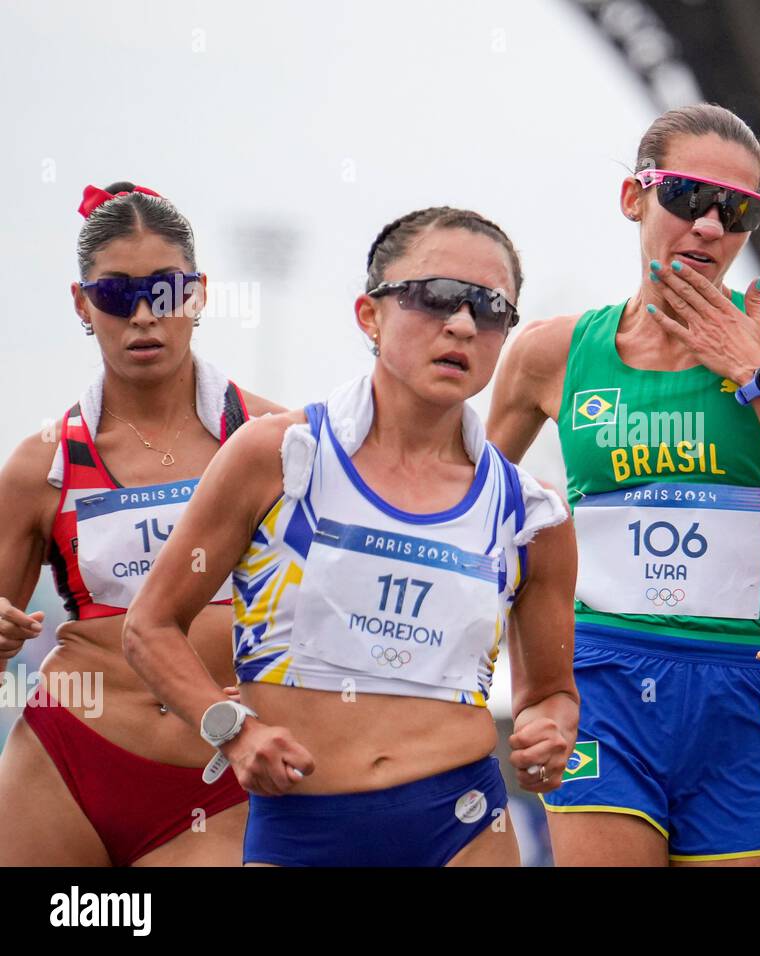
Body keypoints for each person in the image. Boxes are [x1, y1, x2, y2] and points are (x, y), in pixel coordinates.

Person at [488, 103, 760, 866]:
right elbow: (465, 519)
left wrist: (758, 380)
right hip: (603, 679)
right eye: (685, 197)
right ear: (633, 198)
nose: (710, 225)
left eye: (737, 209)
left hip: (748, 688)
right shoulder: (548, 354)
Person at [124, 206, 577, 866]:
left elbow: (549, 694)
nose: (461, 324)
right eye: (437, 297)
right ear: (370, 315)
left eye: (490, 309)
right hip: (304, 829)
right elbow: (150, 625)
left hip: (464, 824)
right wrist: (233, 732)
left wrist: (549, 730)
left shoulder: (531, 513)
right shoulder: (277, 457)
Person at [0, 182, 279, 866]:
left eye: (165, 290)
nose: (144, 315)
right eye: (117, 294)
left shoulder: (275, 440)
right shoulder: (40, 464)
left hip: (221, 774)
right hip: (64, 763)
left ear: (200, 294)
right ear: (82, 304)